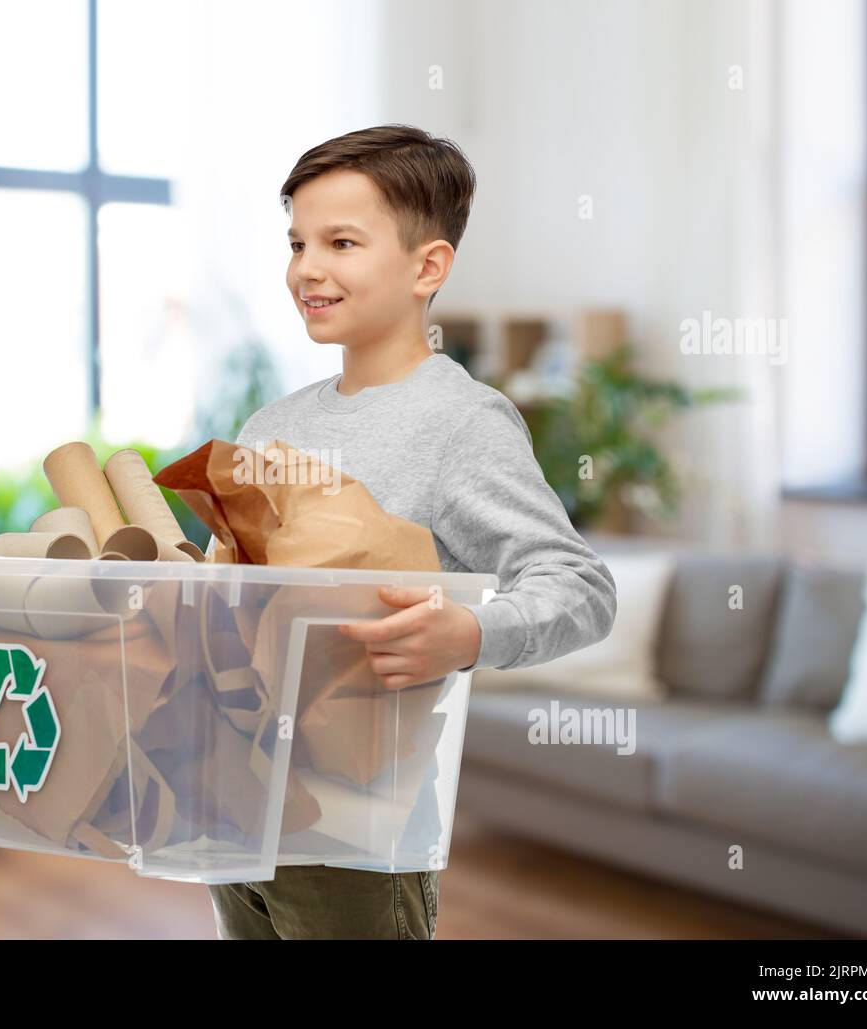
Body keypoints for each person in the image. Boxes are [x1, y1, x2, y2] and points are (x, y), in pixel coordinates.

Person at [207, 124, 617, 939]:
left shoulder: (462, 423)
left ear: (427, 266)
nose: (306, 268)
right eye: (296, 242)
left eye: (341, 241)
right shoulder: (268, 426)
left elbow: (580, 586)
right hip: (237, 801)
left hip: (360, 830)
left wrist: (467, 632)